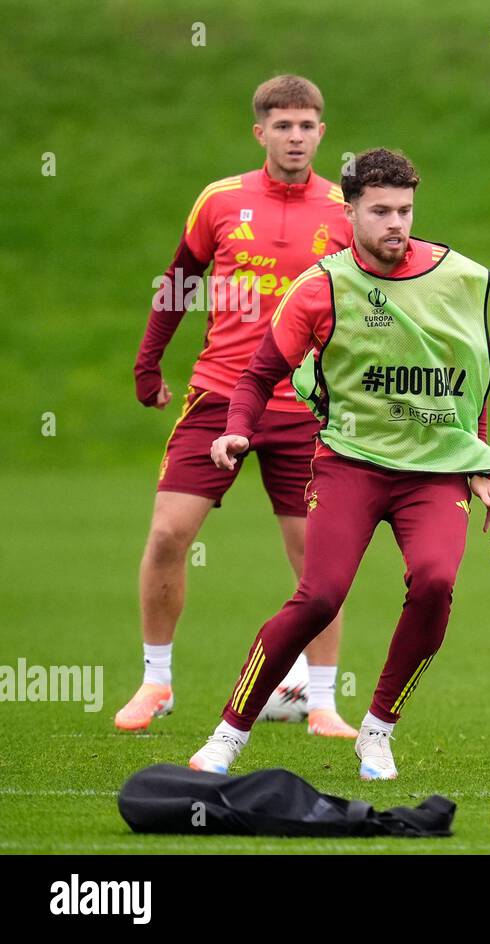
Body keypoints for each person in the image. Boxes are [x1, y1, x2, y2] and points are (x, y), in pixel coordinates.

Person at [188, 148, 490, 780]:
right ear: (351, 210)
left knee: (437, 582)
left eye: (406, 210)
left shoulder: (462, 278)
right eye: (381, 211)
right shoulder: (321, 286)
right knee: (320, 596)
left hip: (436, 471)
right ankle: (230, 732)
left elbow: (473, 379)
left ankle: (378, 730)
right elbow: (257, 375)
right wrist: (234, 430)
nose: (396, 223)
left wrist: (481, 459)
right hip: (350, 463)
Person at [119, 75, 356, 738]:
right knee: (168, 534)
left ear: (321, 132)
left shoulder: (345, 209)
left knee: (318, 561)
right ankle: (156, 680)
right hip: (219, 395)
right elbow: (178, 280)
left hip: (305, 406)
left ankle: (322, 700)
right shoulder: (221, 201)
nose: (296, 136)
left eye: (307, 125)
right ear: (261, 133)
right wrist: (148, 362)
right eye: (283, 126)